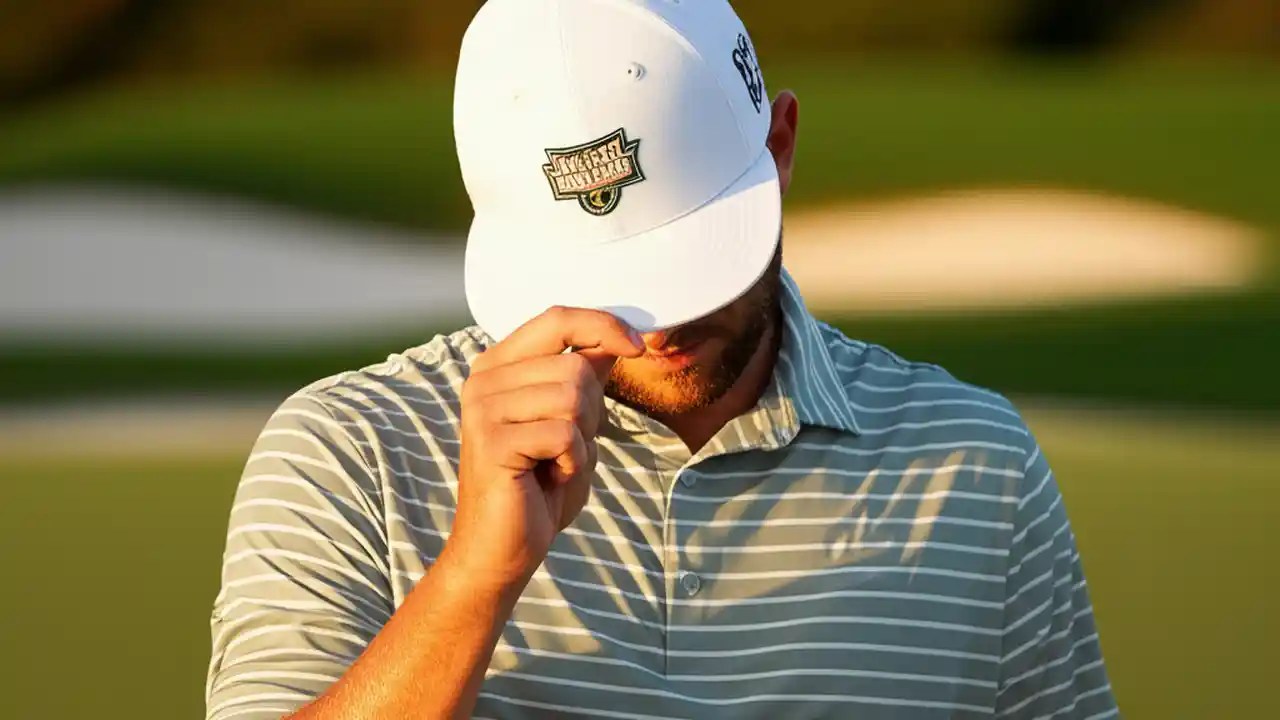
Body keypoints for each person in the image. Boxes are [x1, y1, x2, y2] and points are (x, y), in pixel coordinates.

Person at [206, 0, 1119, 718]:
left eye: (690, 259)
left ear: (781, 144)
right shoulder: (347, 452)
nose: (654, 330)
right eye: (605, 280)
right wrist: (473, 580)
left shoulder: (979, 462)